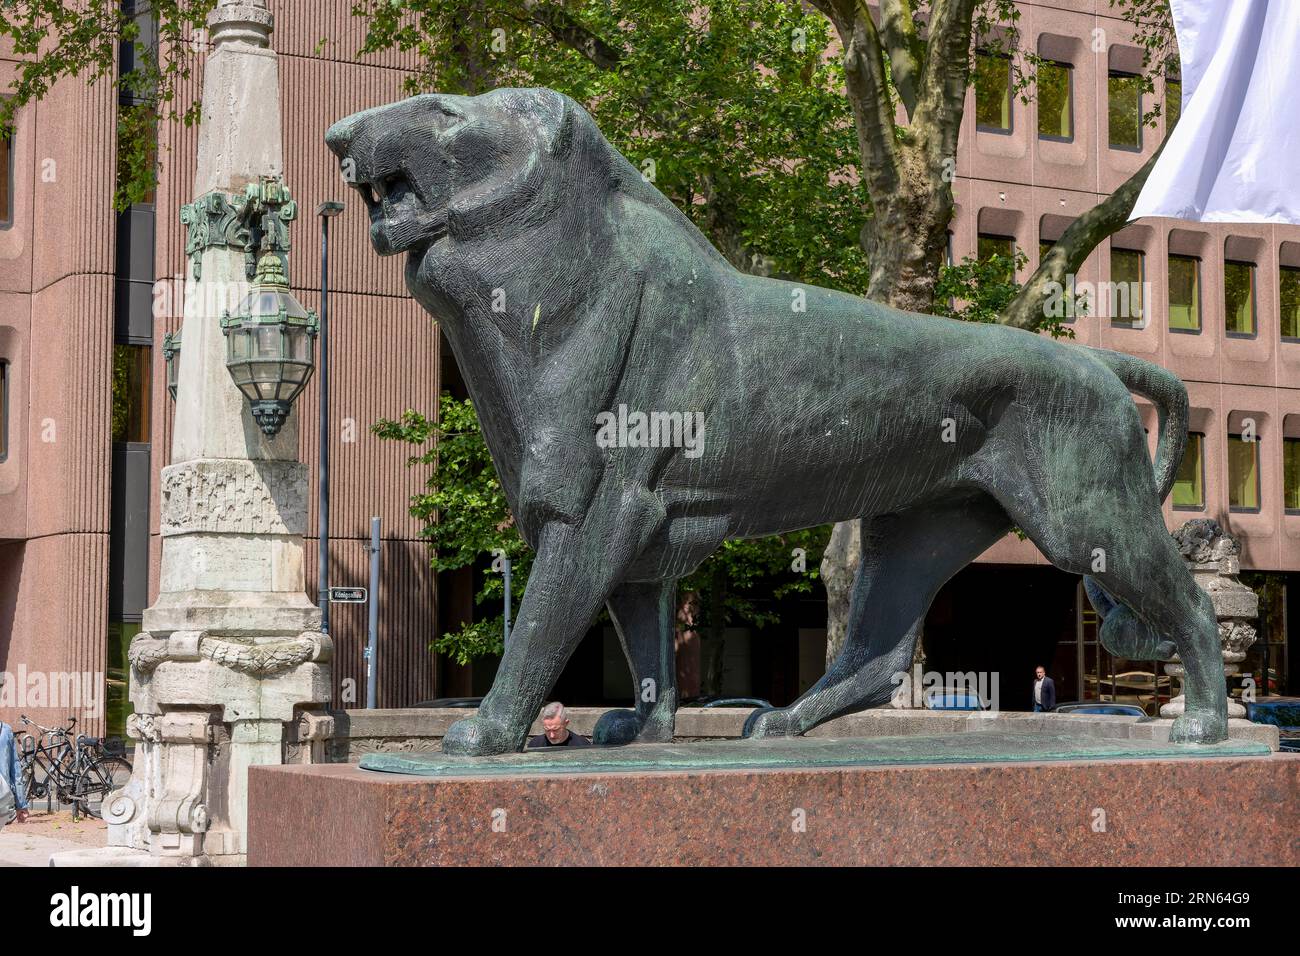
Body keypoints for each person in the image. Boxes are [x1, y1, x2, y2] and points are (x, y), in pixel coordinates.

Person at [0, 718, 30, 827]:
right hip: (2, 795)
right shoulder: (5, 730)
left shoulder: (6, 731)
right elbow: (15, 770)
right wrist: (20, 804)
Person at [526, 702, 591, 748]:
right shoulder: (535, 745)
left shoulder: (582, 745)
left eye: (556, 730)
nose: (552, 736)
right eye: (547, 730)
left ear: (566, 723)